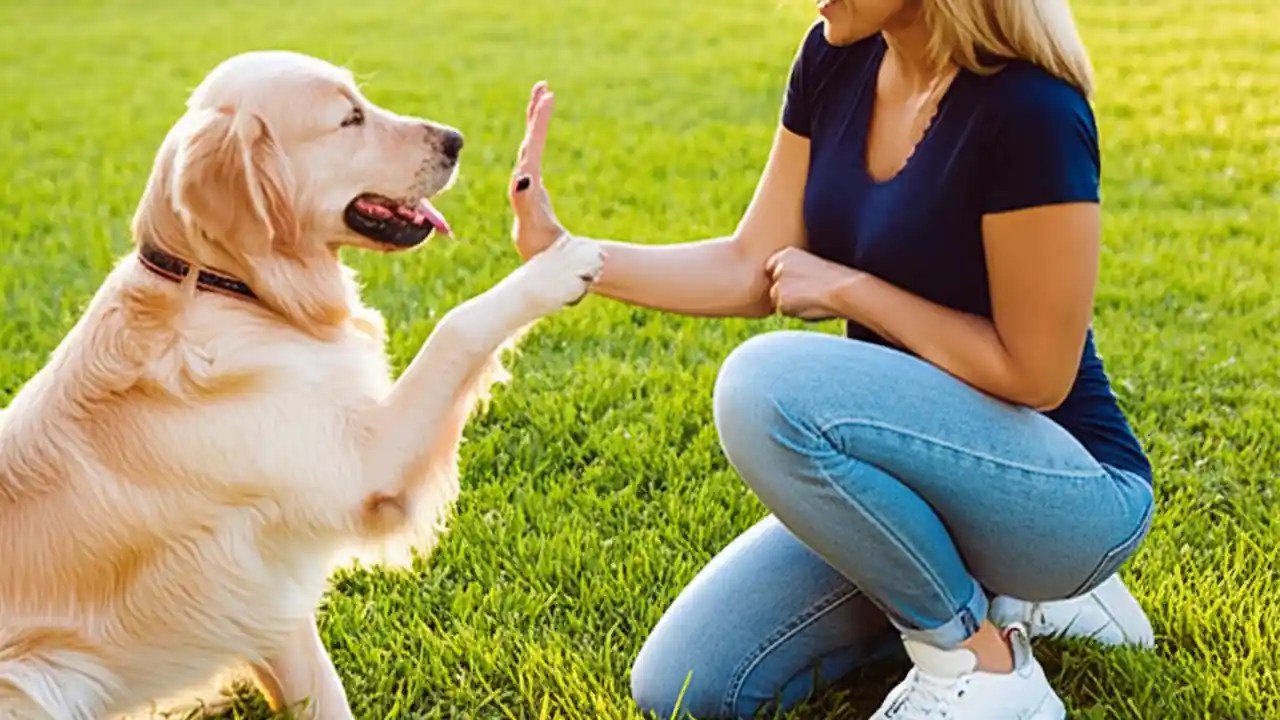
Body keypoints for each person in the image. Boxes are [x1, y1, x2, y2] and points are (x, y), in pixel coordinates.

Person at [507, 0, 1157, 717]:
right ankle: (991, 592)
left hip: (1067, 492)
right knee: (686, 685)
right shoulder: (834, 58)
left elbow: (1037, 374)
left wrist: (854, 290)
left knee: (765, 385)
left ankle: (978, 661)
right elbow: (755, 263)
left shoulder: (1032, 109)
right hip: (912, 479)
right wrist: (569, 259)